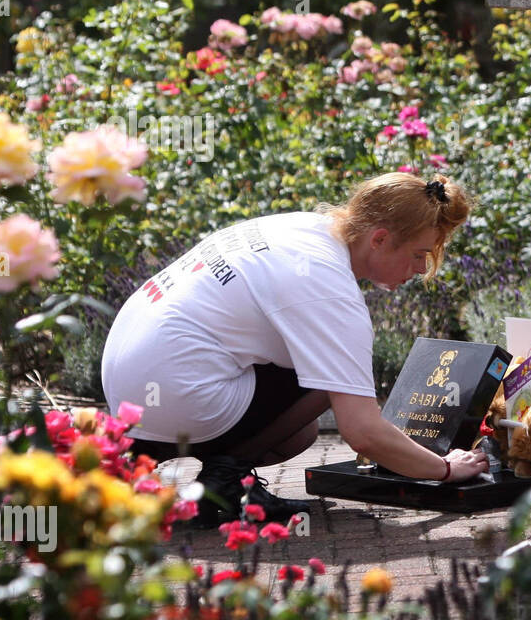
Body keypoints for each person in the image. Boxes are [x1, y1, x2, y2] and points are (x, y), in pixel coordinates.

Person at [100, 172, 490, 527]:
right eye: (419, 254)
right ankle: (226, 475)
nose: (421, 269)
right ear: (380, 239)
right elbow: (363, 433)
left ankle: (142, 448)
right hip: (178, 393)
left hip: (127, 386)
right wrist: (444, 469)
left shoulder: (304, 227)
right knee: (332, 382)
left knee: (308, 406)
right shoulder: (330, 289)